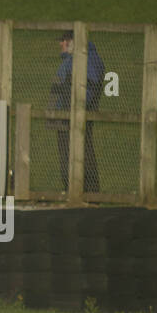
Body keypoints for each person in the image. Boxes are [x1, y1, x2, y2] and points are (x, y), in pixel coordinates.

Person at [49, 29, 104, 193]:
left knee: (79, 156)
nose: (61, 44)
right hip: (65, 118)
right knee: (71, 157)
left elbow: (89, 87)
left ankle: (86, 194)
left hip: (73, 118)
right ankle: (77, 193)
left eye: (64, 40)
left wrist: (76, 110)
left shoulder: (85, 59)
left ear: (74, 41)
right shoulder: (73, 60)